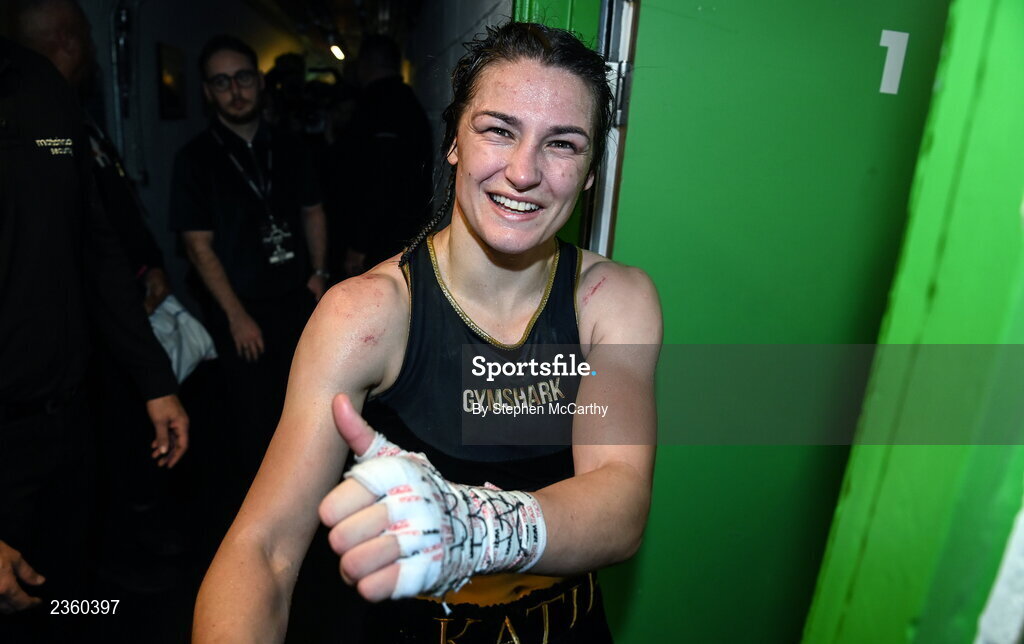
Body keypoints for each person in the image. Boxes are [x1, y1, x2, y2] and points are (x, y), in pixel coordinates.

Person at [193, 22, 661, 643]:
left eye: (563, 144)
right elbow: (265, 550)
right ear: (454, 144)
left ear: (592, 171)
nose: (523, 172)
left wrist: (472, 526)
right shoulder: (365, 315)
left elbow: (621, 503)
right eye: (499, 130)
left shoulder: (613, 301)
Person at [0, 28, 188, 639]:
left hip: (70, 426)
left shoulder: (40, 86)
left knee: (73, 603)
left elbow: (97, 247)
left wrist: (154, 380)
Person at [169, 35, 329, 486]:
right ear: (206, 92)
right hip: (240, 308)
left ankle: (309, 492)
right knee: (253, 418)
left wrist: (318, 273)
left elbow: (313, 210)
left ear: (259, 82)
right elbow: (199, 247)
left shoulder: (292, 145)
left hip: (296, 297)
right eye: (221, 82)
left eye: (242, 77)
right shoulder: (194, 161)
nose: (234, 90)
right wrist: (236, 316)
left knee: (305, 404)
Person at [332, 34, 433, 278]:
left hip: (380, 240)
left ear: (365, 64)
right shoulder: (407, 101)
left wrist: (358, 245)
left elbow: (380, 178)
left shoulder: (377, 106)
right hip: (402, 234)